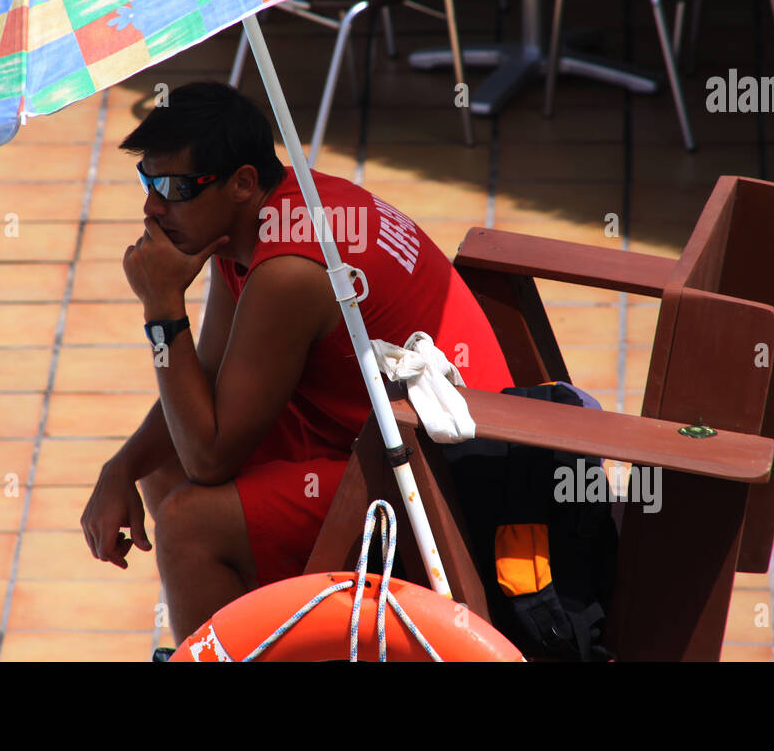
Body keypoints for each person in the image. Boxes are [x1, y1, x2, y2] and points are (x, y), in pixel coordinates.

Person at [79, 81, 514, 644]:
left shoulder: (288, 268)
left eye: (174, 187)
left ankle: (257, 637)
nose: (152, 207)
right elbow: (203, 386)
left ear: (241, 183)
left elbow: (211, 458)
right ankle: (267, 637)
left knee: (190, 527)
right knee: (162, 464)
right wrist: (120, 468)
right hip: (380, 440)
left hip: (446, 480)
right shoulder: (254, 224)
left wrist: (161, 312)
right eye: (148, 181)